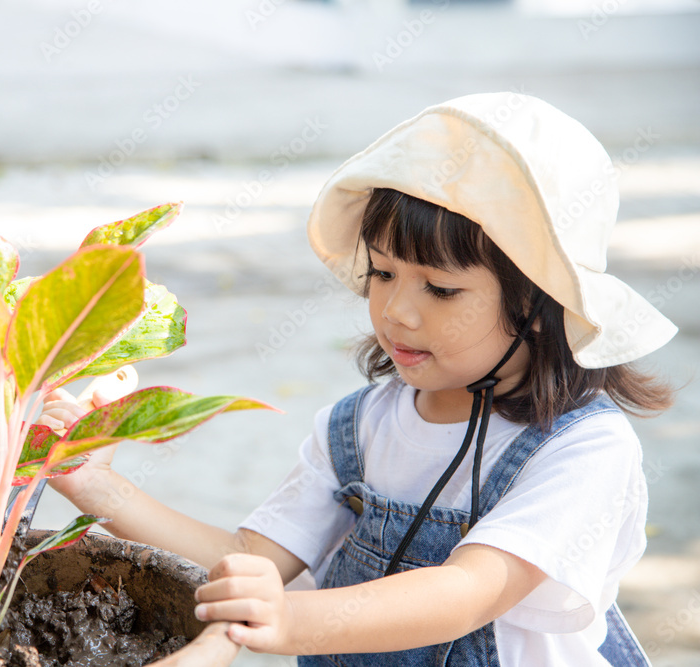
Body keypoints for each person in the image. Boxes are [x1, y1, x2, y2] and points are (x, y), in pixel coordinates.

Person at [42, 92, 677, 666]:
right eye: (382, 273)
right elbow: (251, 558)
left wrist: (285, 618)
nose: (396, 310)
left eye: (441, 289)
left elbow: (468, 592)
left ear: (542, 307)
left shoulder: (582, 448)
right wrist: (99, 486)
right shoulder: (359, 427)